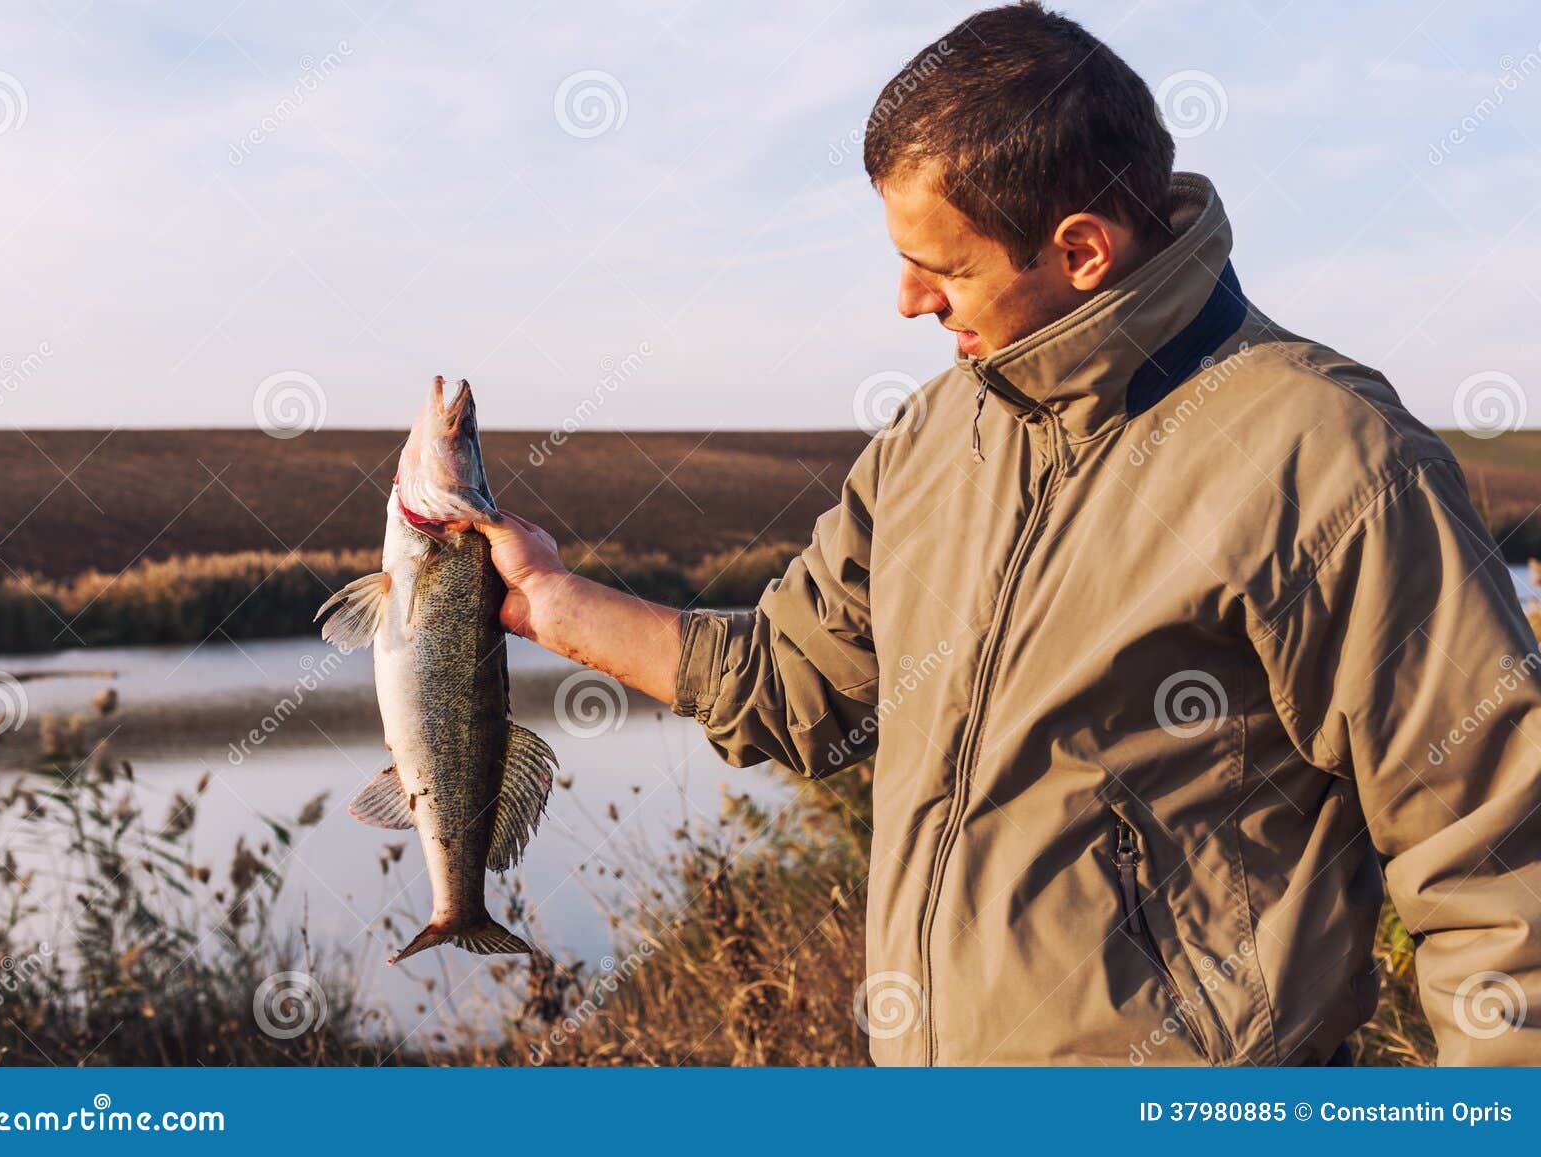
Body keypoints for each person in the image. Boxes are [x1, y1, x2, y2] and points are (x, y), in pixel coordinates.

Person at [475, 3, 1541, 1065]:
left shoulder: (1331, 457)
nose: (907, 300)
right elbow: (795, 686)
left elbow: (1498, 866)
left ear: (1080, 249)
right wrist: (554, 605)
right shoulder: (932, 435)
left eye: (942, 268)